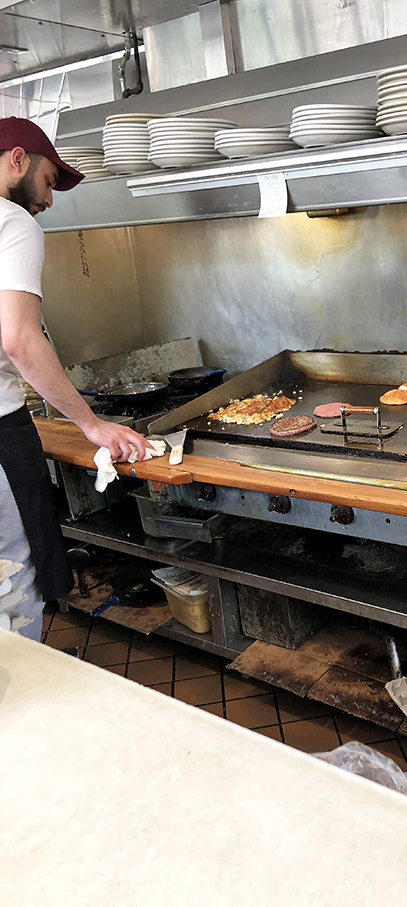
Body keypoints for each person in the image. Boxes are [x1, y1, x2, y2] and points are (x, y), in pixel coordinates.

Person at [0, 116, 151, 642]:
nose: (47, 199)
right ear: (16, 158)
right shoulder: (12, 223)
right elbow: (19, 340)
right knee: (13, 579)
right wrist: (91, 425)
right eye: (47, 181)